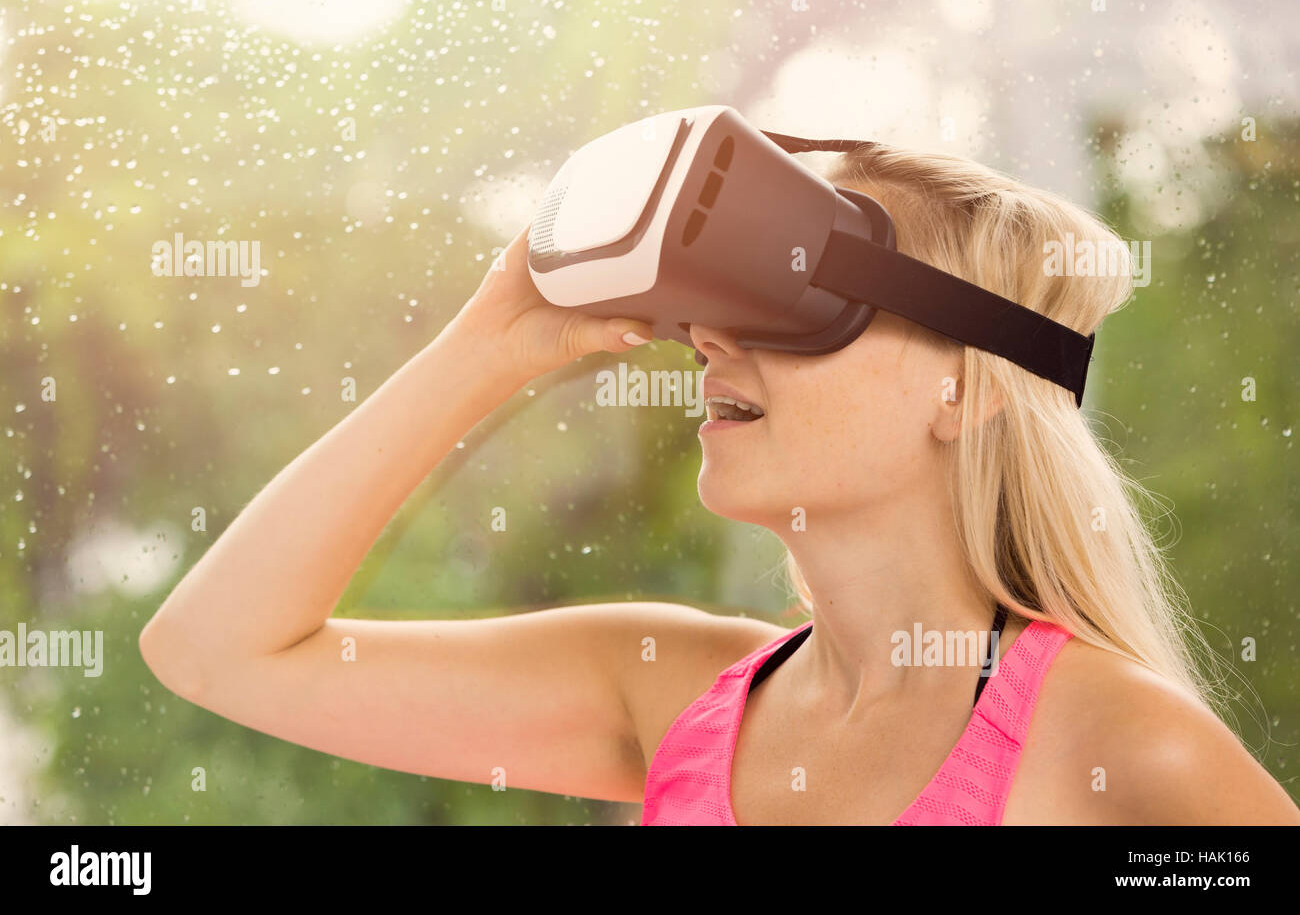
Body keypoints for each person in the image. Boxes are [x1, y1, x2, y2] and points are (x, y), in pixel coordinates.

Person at [139, 141, 1300, 824]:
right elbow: (215, 649)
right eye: (718, 301)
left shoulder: (1111, 742)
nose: (708, 341)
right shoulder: (664, 689)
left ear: (970, 387)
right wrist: (487, 345)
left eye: (799, 300)